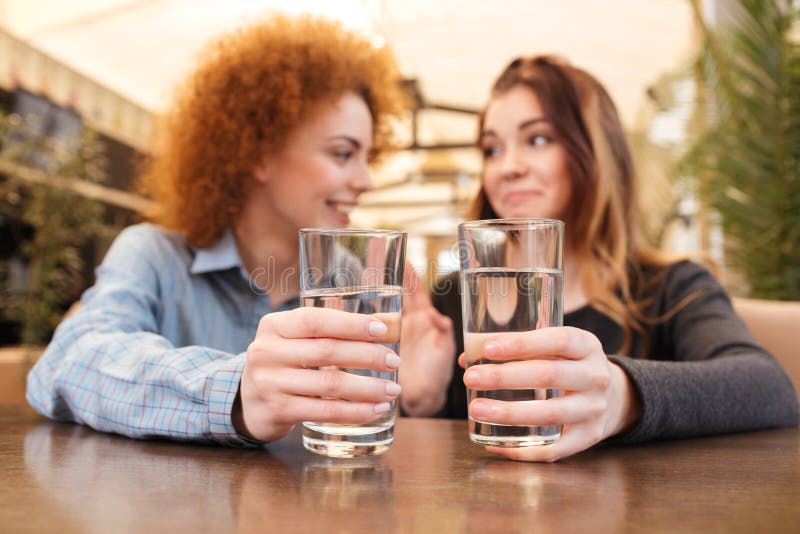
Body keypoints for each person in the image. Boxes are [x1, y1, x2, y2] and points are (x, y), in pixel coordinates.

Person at [25, 15, 413, 445]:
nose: (366, 181)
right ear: (259, 154)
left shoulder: (357, 282)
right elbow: (68, 362)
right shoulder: (154, 256)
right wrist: (236, 393)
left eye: (367, 157)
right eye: (343, 154)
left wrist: (420, 394)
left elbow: (366, 424)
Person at [417, 55, 799, 462]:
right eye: (492, 149)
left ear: (595, 152)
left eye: (539, 139)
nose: (507, 167)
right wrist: (422, 401)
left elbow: (770, 390)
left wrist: (624, 397)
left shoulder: (671, 287)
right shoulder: (455, 296)